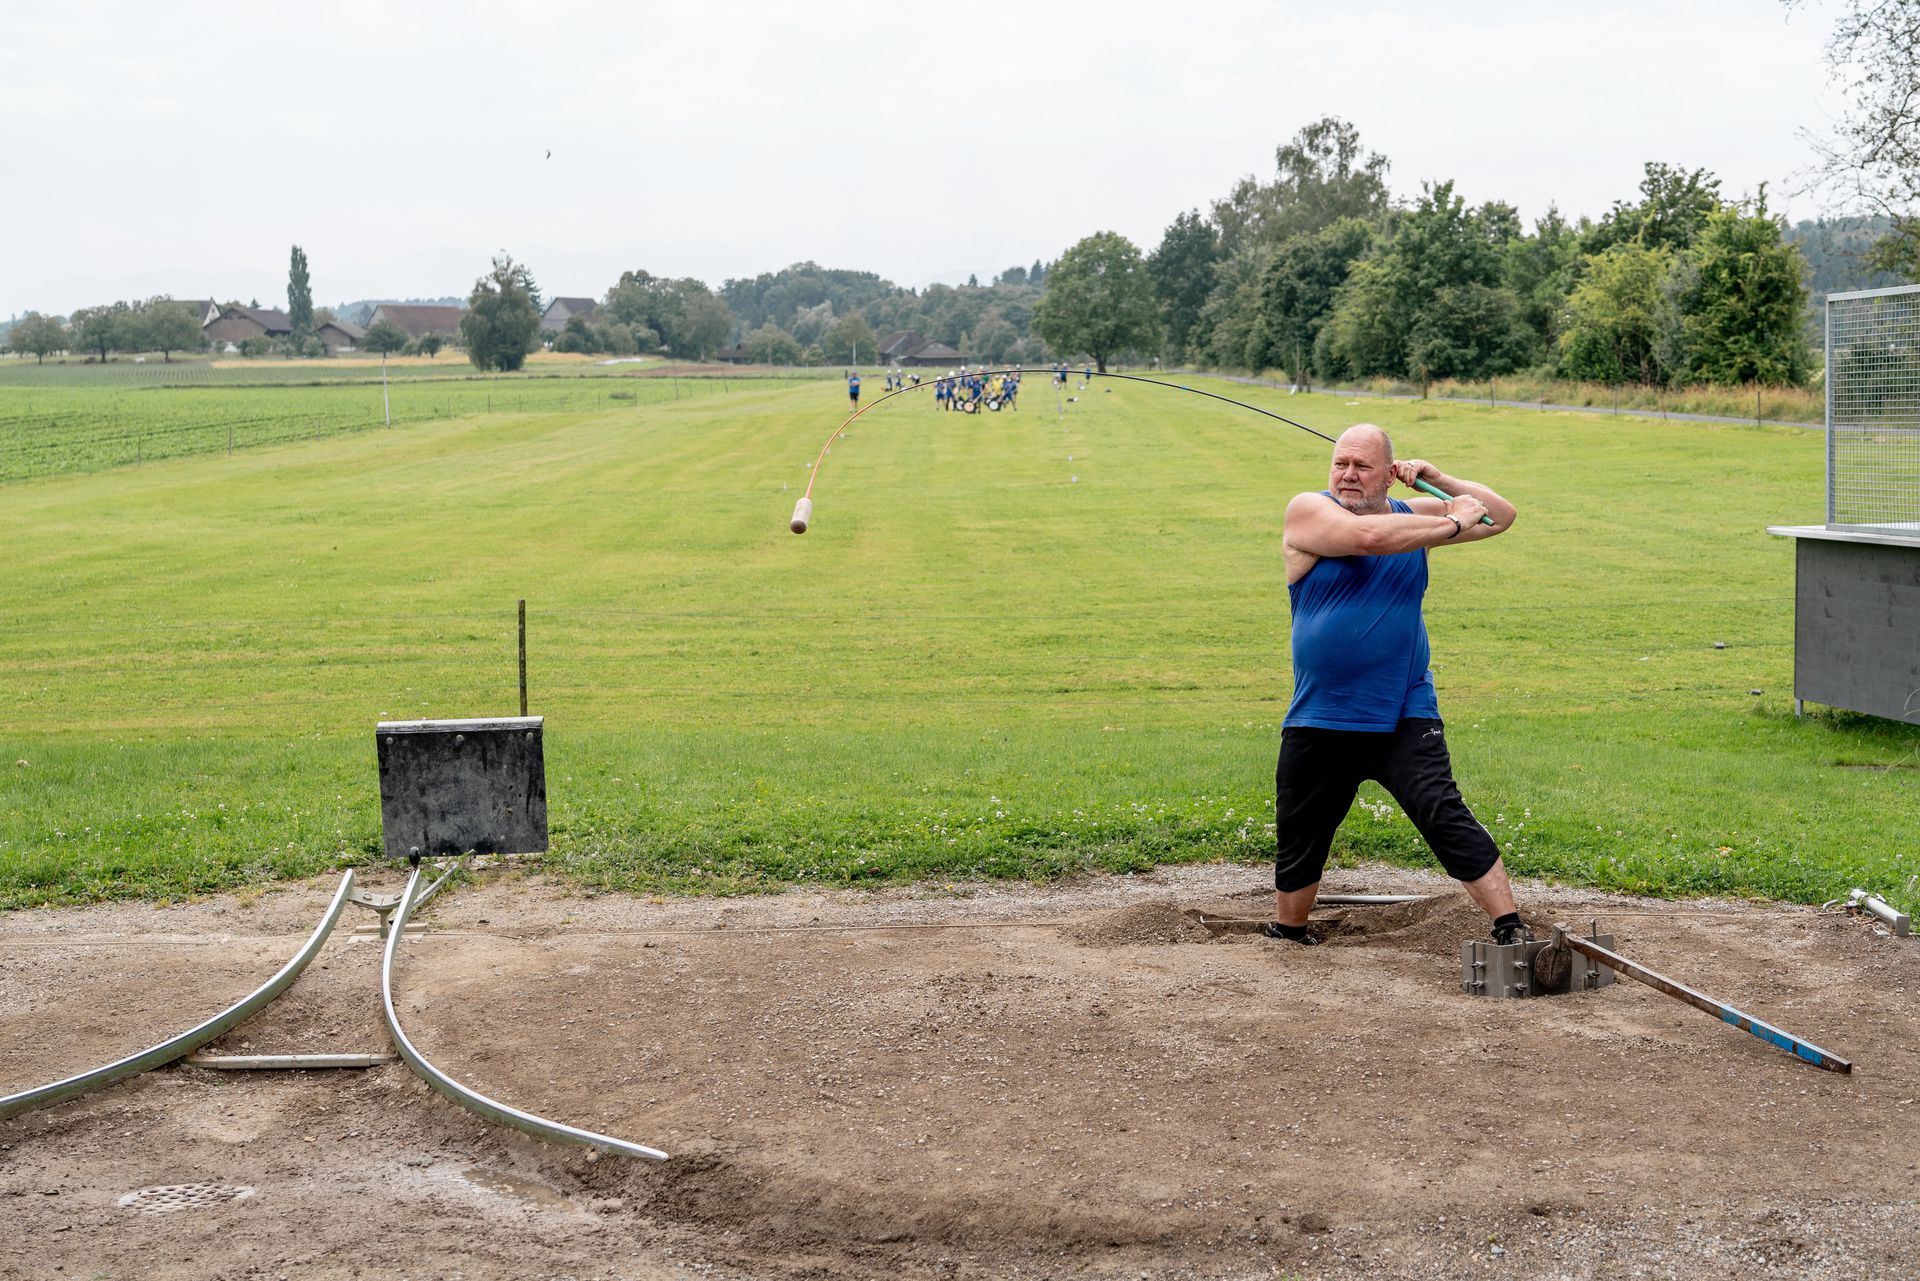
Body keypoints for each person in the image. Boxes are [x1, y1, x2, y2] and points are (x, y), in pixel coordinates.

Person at [1268, 424, 1523, 947]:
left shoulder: (1414, 515)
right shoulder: (1308, 511)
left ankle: (1511, 927)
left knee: (1441, 809)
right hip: (1323, 711)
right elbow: (1368, 539)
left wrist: (1437, 478)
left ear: (1388, 473)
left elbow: (1501, 515)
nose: (1348, 475)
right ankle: (1291, 930)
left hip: (1403, 706)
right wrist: (1451, 524)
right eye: (1341, 463)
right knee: (1303, 830)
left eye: (1362, 466)